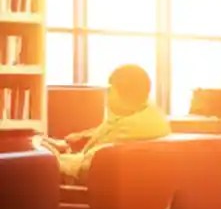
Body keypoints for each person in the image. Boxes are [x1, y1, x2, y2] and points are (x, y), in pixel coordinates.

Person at [39, 64, 171, 184]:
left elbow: (84, 166)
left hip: (90, 192)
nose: (107, 97)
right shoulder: (151, 116)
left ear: (121, 94)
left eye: (110, 91)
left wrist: (49, 155)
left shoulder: (126, 130)